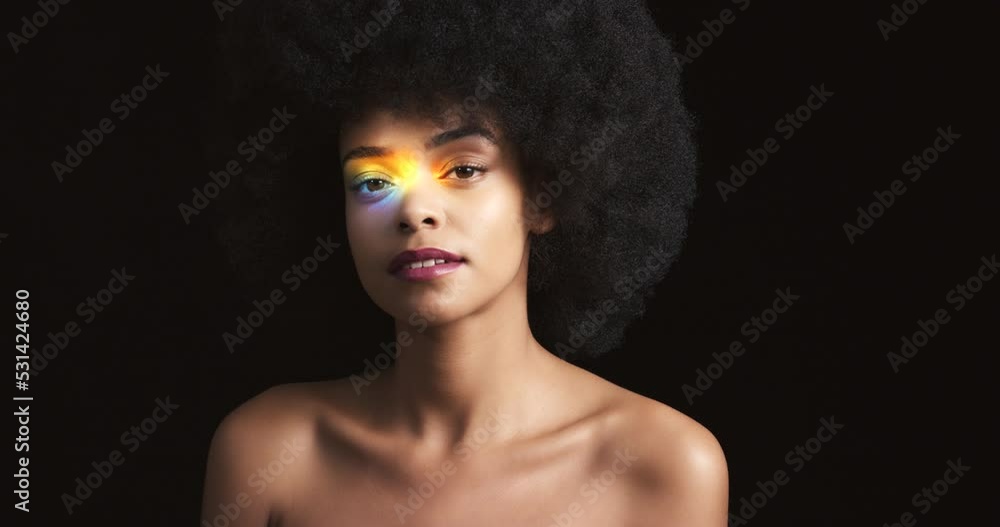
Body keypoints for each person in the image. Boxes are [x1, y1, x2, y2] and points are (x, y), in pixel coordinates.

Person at [200, 0, 728, 525]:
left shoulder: (662, 467)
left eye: (463, 169)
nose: (414, 211)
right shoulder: (270, 454)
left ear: (542, 197)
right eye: (373, 181)